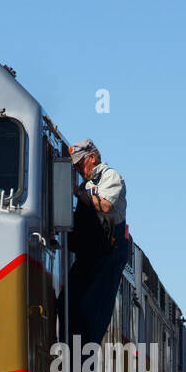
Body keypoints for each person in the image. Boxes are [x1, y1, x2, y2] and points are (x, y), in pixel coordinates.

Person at [65, 139, 129, 345]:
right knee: (67, 301)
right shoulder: (86, 185)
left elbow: (106, 206)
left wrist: (78, 193)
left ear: (91, 157)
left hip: (109, 250)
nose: (77, 168)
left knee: (95, 307)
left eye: (79, 164)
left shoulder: (111, 176)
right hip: (90, 249)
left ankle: (83, 355)